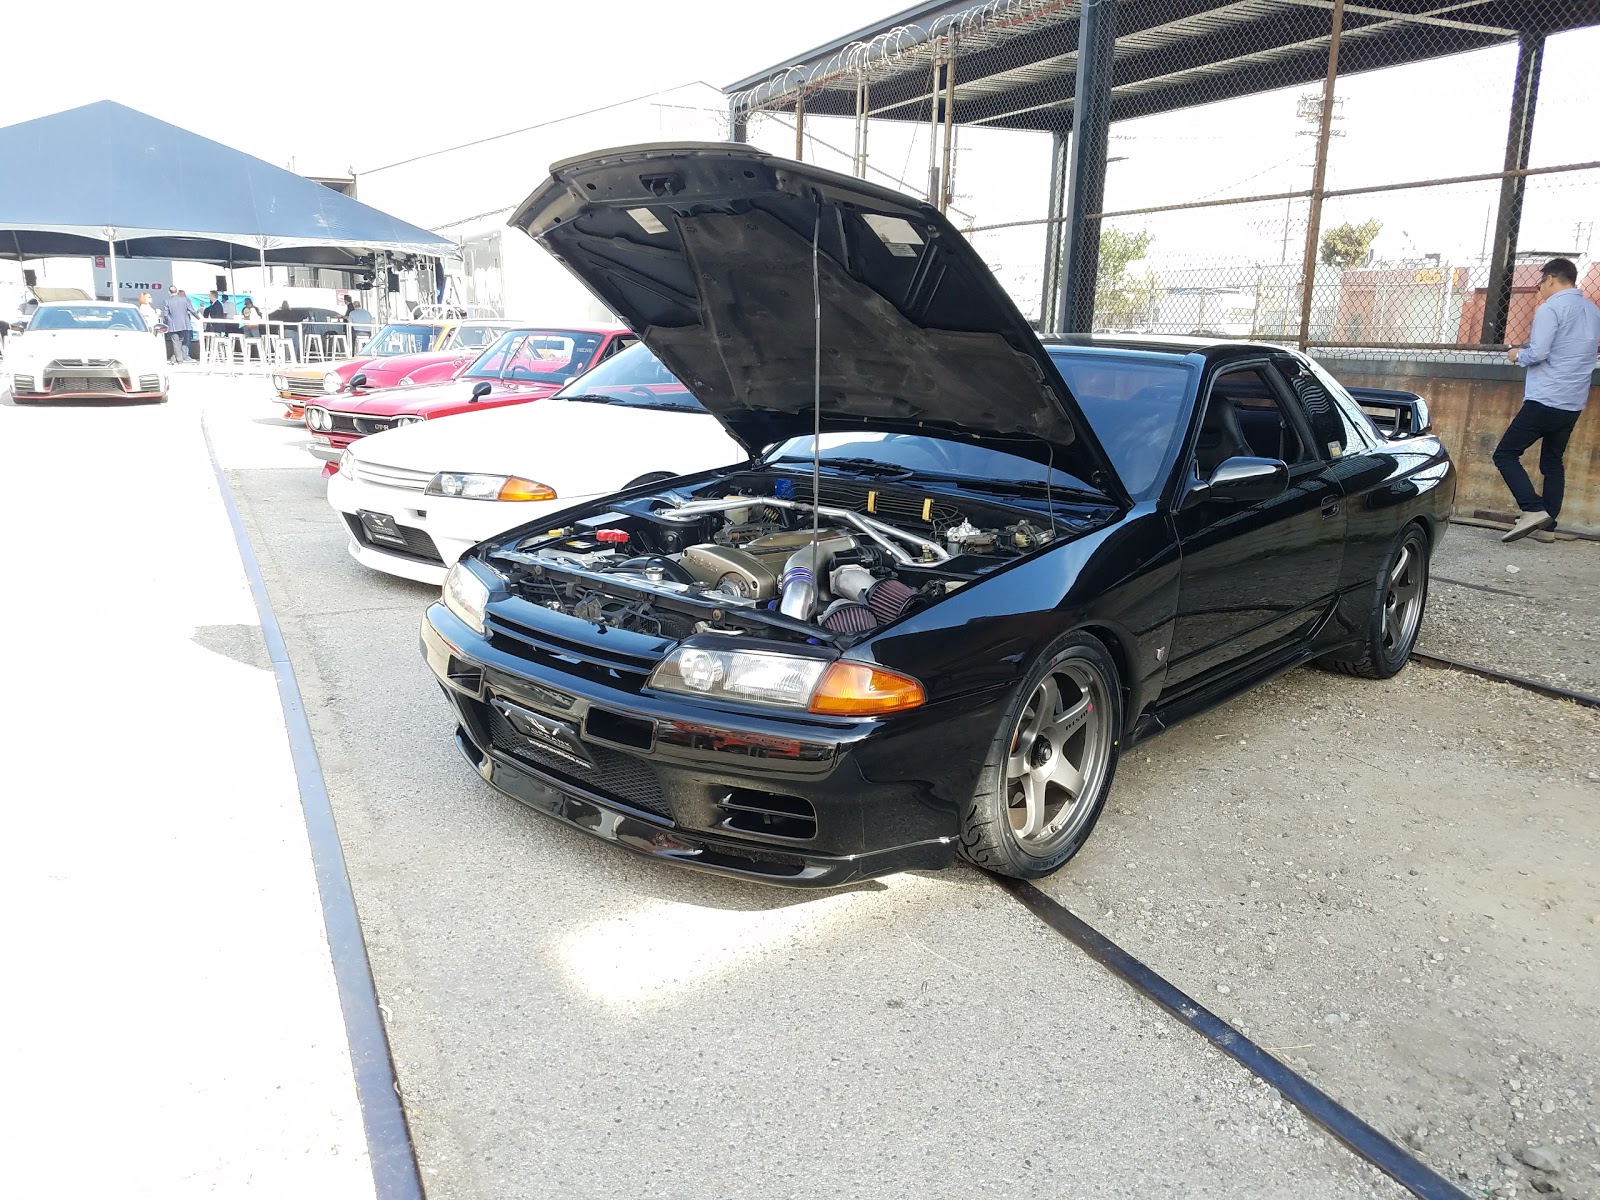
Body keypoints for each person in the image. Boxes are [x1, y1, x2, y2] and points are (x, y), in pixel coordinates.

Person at [1495, 257, 1600, 542]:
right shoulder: (1592, 310)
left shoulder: (1550, 309)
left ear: (1551, 279)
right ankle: (1546, 526)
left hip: (1545, 398)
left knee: (1504, 454)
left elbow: (1538, 352)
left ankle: (1531, 509)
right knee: (1553, 462)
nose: (1539, 288)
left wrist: (1518, 355)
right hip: (1573, 401)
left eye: (1540, 282)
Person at [161, 287, 194, 363]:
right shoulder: (185, 299)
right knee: (181, 341)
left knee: (175, 342)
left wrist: (169, 320)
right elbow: (191, 310)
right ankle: (178, 357)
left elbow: (165, 314)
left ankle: (179, 360)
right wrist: (198, 318)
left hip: (173, 324)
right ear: (176, 291)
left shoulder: (167, 301)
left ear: (169, 292)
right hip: (184, 324)